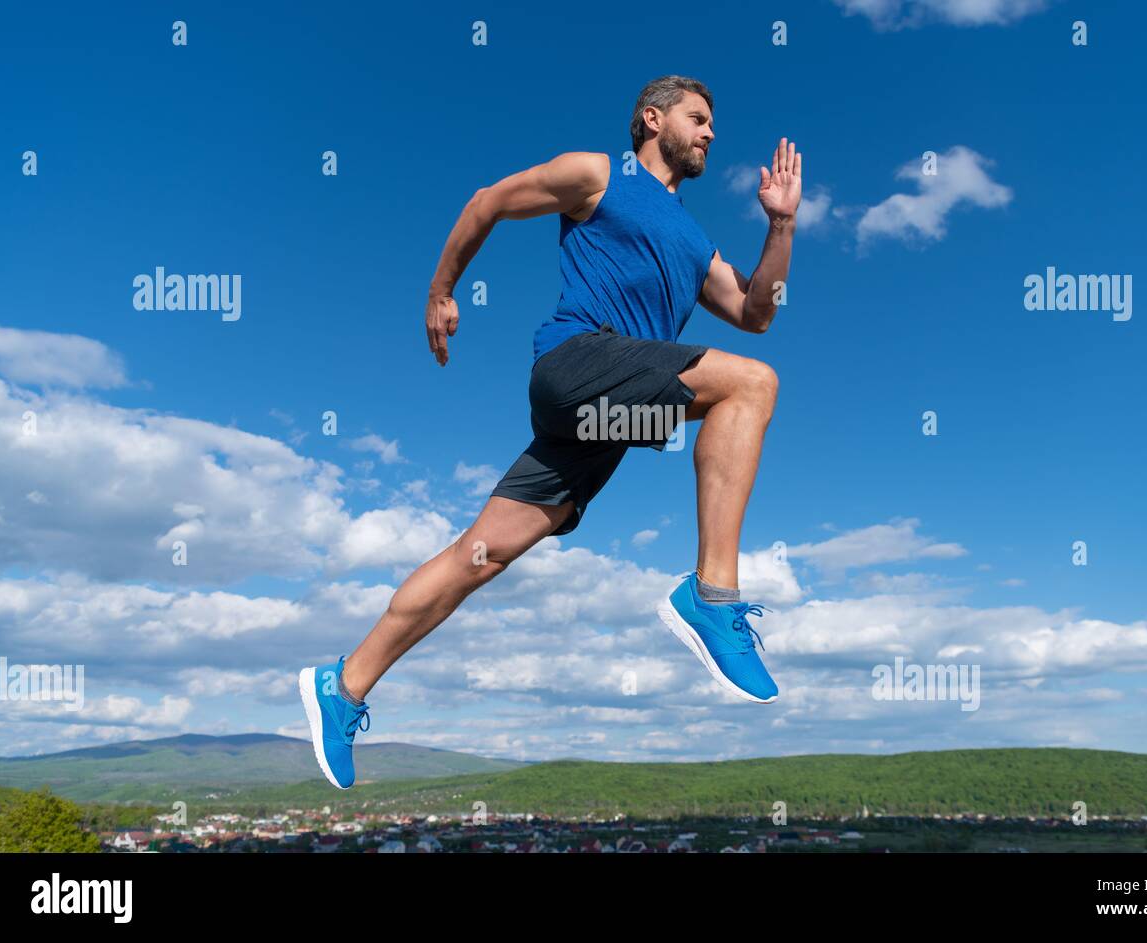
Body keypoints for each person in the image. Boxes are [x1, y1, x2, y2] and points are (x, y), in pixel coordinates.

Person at [299, 75, 800, 789]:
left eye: (714, 122)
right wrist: (443, 289)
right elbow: (490, 202)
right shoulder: (600, 174)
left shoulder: (696, 244)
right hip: (574, 365)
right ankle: (712, 597)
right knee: (753, 384)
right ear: (652, 120)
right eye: (699, 118)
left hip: (608, 423)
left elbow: (757, 312)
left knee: (480, 554)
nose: (712, 132)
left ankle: (343, 684)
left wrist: (780, 226)